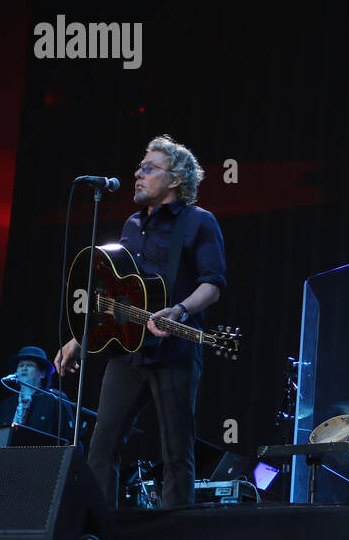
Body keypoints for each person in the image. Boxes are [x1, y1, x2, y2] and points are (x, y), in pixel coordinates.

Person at [54, 135, 226, 508]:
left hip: (174, 351)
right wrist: (81, 339)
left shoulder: (199, 222)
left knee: (176, 452)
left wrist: (179, 310)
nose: (137, 174)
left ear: (175, 179)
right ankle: (102, 528)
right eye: (138, 167)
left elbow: (212, 285)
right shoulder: (133, 225)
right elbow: (118, 295)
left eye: (149, 168)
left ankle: (174, 532)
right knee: (102, 446)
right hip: (127, 352)